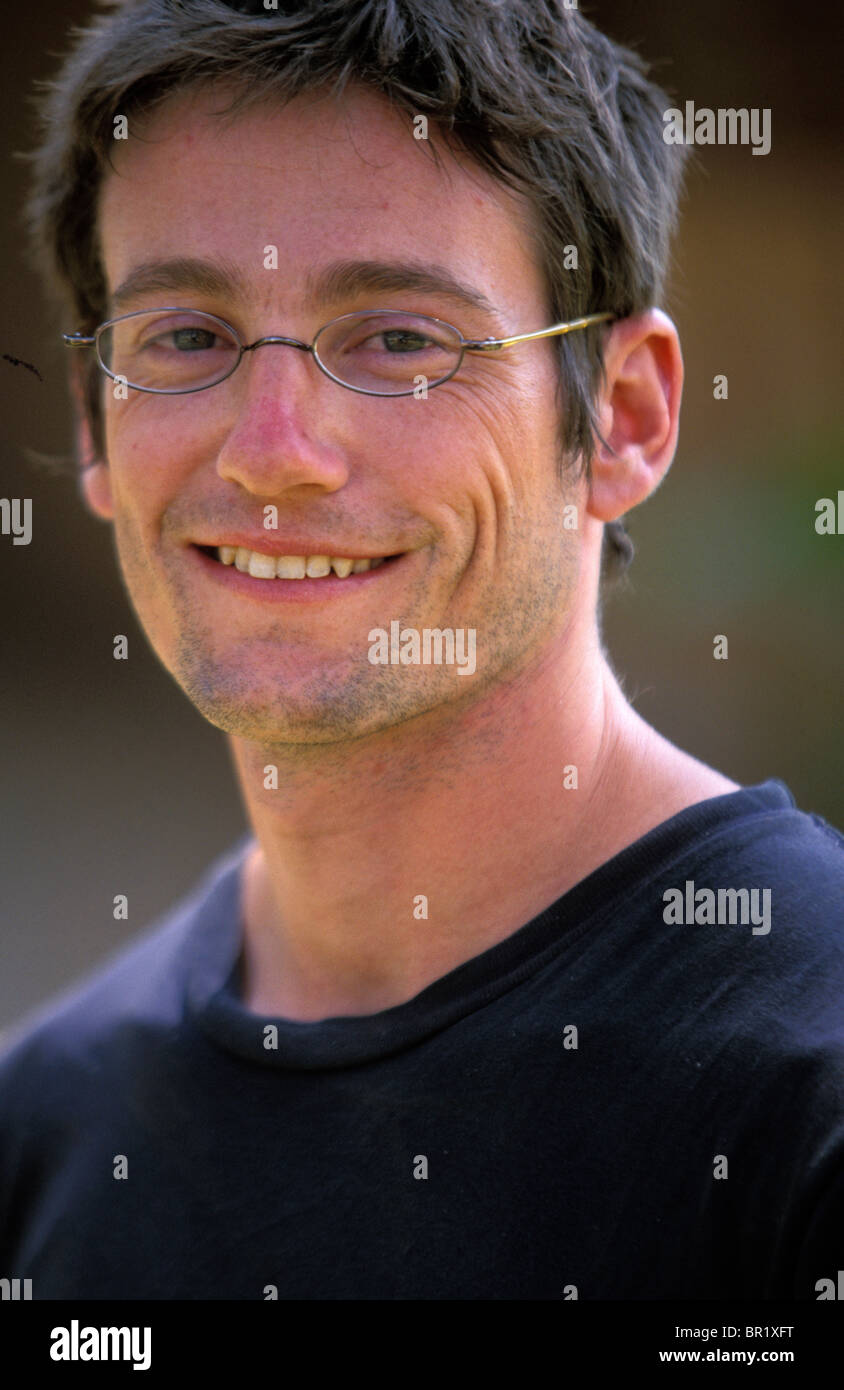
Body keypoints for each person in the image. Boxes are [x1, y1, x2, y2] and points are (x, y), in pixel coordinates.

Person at [0, 0, 841, 1301]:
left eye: (398, 339)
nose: (273, 447)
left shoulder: (810, 1079)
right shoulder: (43, 1123)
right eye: (186, 337)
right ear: (98, 430)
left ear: (621, 418)